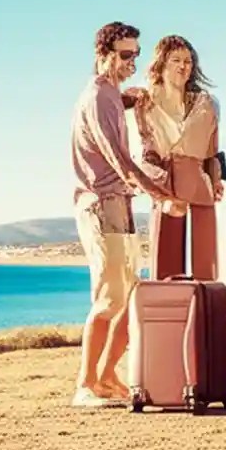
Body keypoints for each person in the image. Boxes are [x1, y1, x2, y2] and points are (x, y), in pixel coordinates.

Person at [69, 21, 172, 408]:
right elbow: (118, 157)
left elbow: (115, 111)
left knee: (129, 296)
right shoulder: (97, 96)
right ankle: (86, 385)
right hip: (103, 204)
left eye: (136, 55)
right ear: (103, 55)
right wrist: (160, 194)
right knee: (110, 298)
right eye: (126, 55)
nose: (133, 62)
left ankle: (107, 377)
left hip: (119, 203)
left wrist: (130, 100)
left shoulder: (110, 94)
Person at [126, 35, 224, 280]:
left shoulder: (207, 103)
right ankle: (167, 316)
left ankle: (205, 316)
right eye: (176, 60)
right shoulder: (143, 101)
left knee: (206, 268)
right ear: (161, 63)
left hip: (200, 187)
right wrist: (160, 191)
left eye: (188, 62)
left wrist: (216, 180)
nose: (183, 67)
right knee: (165, 267)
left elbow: (212, 151)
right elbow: (142, 154)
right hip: (164, 186)